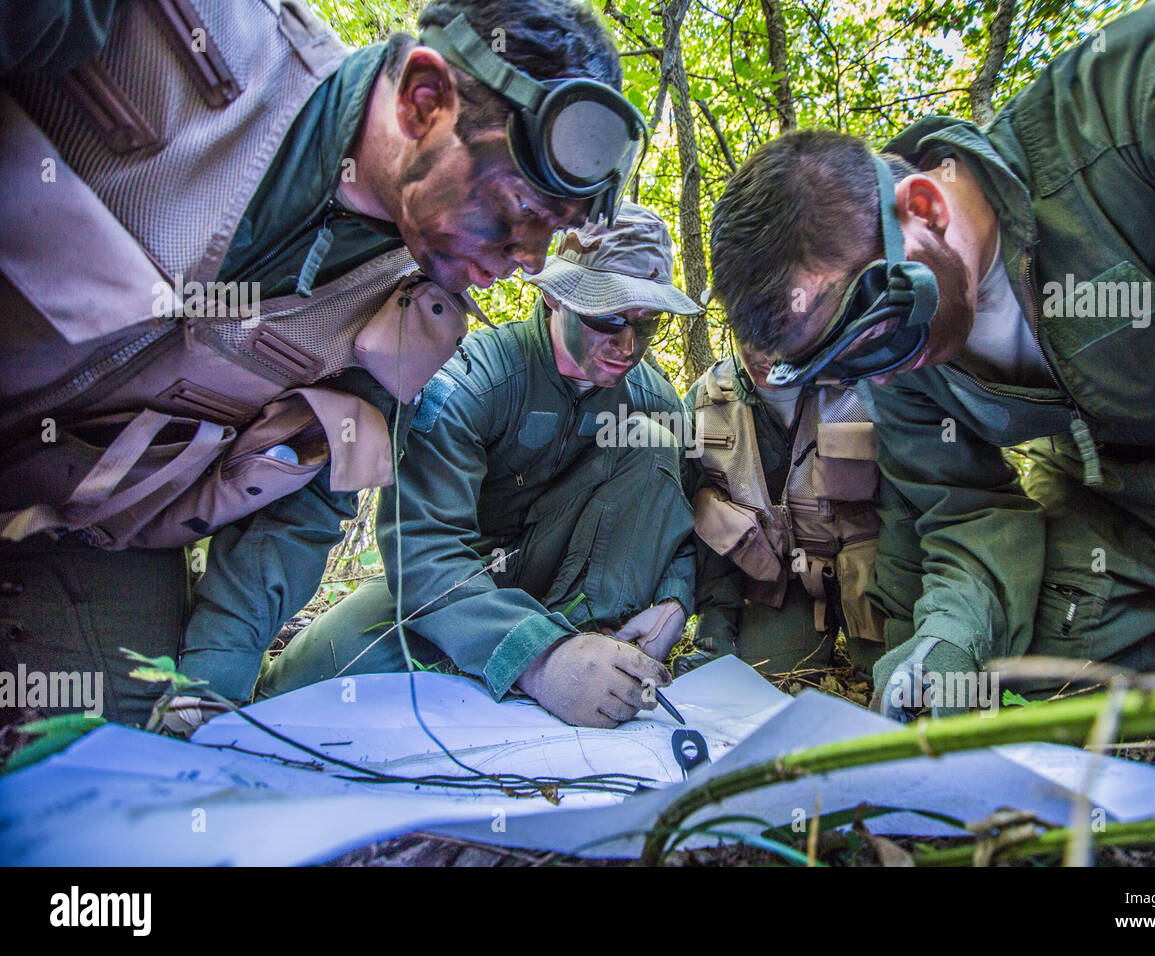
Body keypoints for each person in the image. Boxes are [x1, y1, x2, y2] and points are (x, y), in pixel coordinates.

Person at [0, 0, 642, 726]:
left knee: (100, 778)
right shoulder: (179, 33)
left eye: (550, 234)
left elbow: (300, 508)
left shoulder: (410, 319)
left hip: (82, 535)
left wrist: (209, 689)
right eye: (517, 209)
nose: (528, 260)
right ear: (422, 99)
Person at [707, 0, 1155, 720]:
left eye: (876, 335)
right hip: (1136, 515)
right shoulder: (894, 363)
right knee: (1010, 701)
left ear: (921, 207)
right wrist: (949, 644)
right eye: (842, 368)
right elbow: (965, 511)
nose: (884, 377)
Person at [259, 203, 700, 729]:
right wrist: (539, 657)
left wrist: (675, 599)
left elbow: (680, 518)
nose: (627, 346)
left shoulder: (655, 403)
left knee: (651, 442)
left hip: (579, 587)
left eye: (646, 323)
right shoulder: (474, 378)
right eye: (606, 317)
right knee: (292, 693)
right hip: (461, 590)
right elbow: (425, 546)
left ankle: (596, 653)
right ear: (553, 295)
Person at [677, 339, 885, 678]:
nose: (768, 352)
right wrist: (715, 632)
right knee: (771, 679)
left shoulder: (871, 384)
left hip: (873, 582)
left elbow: (912, 517)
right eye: (752, 332)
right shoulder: (705, 403)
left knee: (897, 683)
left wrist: (912, 622)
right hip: (784, 584)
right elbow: (708, 534)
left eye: (784, 331)